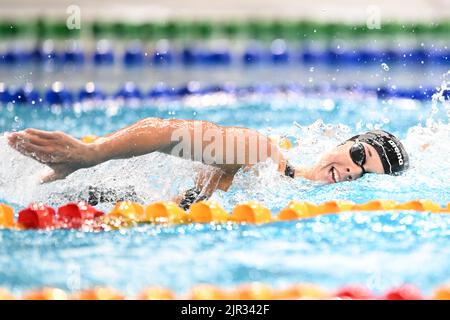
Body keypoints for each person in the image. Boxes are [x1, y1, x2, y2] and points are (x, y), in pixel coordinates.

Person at [6, 117, 409, 210]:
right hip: (112, 205)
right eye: (359, 155)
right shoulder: (262, 157)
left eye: (364, 176)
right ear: (344, 142)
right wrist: (90, 154)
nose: (353, 170)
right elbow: (169, 133)